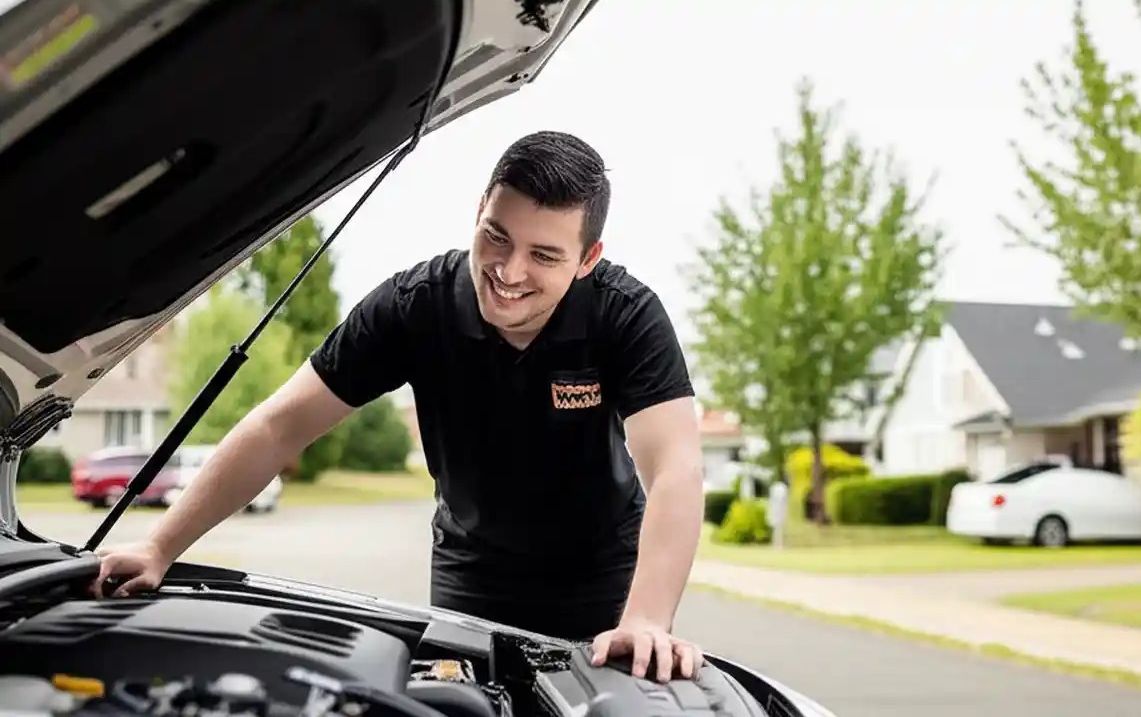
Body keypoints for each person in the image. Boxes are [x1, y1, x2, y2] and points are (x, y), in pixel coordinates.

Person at [89, 131, 708, 683]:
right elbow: (279, 429)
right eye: (496, 235)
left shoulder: (625, 314)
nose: (509, 270)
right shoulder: (414, 307)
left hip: (603, 577)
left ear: (587, 260)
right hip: (472, 576)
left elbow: (675, 466)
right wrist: (160, 547)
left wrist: (648, 617)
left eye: (544, 256)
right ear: (479, 212)